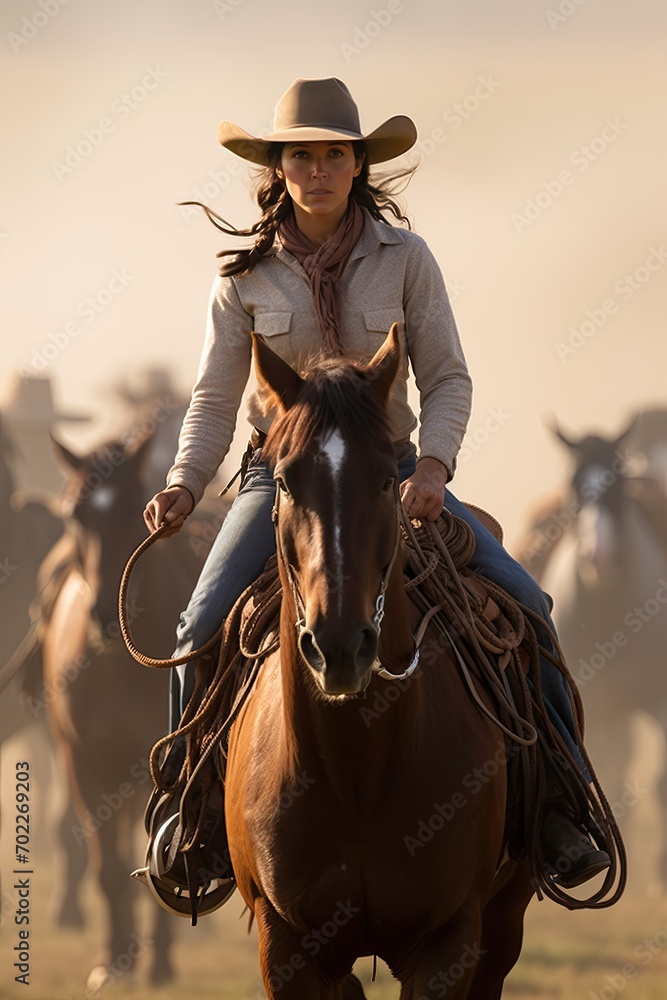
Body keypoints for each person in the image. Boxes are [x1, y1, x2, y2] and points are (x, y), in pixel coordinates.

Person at [142, 77, 610, 912]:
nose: (317, 169)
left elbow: (447, 378)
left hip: (391, 473)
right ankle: (193, 822)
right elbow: (215, 399)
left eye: (333, 154)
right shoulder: (243, 281)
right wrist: (183, 485)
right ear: (276, 169)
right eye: (300, 155)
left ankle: (558, 812)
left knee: (527, 603)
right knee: (198, 623)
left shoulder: (408, 261)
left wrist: (431, 467)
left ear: (357, 165)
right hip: (280, 477)